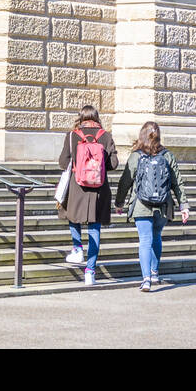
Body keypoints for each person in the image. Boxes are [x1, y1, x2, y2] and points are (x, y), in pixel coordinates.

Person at [115, 121, 189, 292]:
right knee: (156, 236)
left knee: (145, 240)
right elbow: (177, 182)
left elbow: (125, 181)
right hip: (163, 205)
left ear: (142, 135)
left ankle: (146, 279)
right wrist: (183, 205)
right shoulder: (167, 155)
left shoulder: (136, 156)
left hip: (141, 204)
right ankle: (155, 272)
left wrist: (119, 203)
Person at [57, 104, 118, 286]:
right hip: (99, 189)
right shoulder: (105, 136)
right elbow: (114, 164)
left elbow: (62, 163)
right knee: (95, 228)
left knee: (72, 216)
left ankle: (77, 248)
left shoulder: (72, 135)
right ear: (97, 117)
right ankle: (90, 272)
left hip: (77, 187)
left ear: (81, 117)